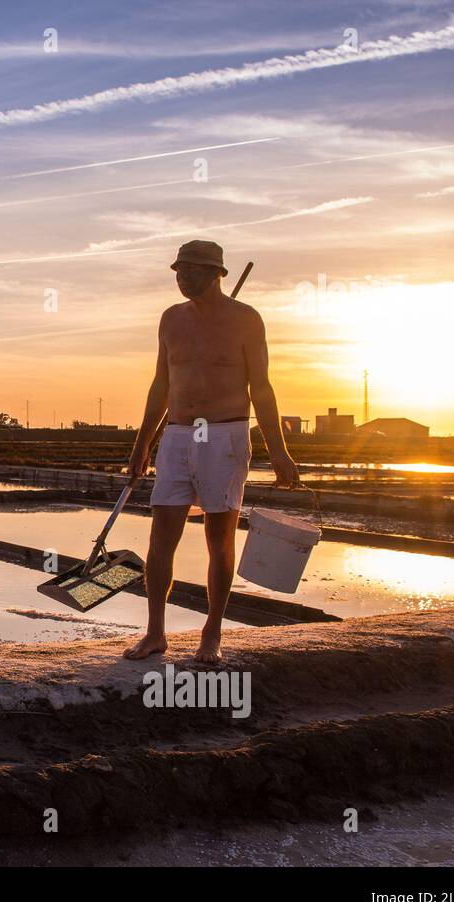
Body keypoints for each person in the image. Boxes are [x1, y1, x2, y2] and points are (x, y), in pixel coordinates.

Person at [123, 241, 299, 665]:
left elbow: (262, 388)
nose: (183, 278)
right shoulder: (171, 319)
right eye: (179, 271)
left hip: (224, 436)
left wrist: (279, 452)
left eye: (192, 271)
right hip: (179, 435)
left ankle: (212, 632)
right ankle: (154, 633)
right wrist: (141, 444)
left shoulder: (245, 320)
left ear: (217, 273)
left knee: (218, 537)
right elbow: (160, 386)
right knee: (160, 534)